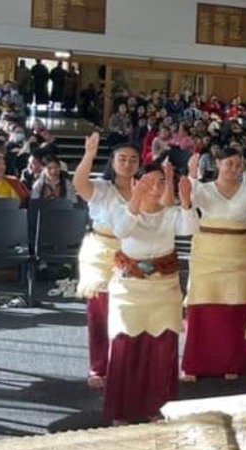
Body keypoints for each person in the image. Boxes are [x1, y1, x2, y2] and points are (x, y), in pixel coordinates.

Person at [103, 164, 198, 425]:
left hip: (163, 288)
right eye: (150, 182)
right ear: (137, 182)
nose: (156, 188)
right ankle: (122, 409)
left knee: (161, 346)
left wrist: (187, 201)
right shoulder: (121, 210)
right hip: (129, 290)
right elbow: (122, 230)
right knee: (126, 343)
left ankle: (157, 407)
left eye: (160, 182)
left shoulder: (170, 214)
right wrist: (136, 199)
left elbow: (190, 229)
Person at [180, 148, 246, 381]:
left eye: (239, 165)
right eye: (230, 164)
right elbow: (187, 206)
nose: (235, 169)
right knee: (201, 309)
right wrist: (191, 177)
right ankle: (194, 364)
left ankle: (232, 361)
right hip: (207, 255)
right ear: (218, 163)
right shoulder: (203, 188)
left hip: (239, 257)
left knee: (235, 310)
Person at [73, 134, 140, 389]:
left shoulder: (142, 187)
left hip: (133, 251)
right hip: (101, 251)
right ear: (112, 161)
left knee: (130, 312)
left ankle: (124, 364)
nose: (127, 163)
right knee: (100, 311)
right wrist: (88, 155)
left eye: (133, 159)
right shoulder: (102, 187)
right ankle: (99, 366)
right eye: (122, 158)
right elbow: (80, 185)